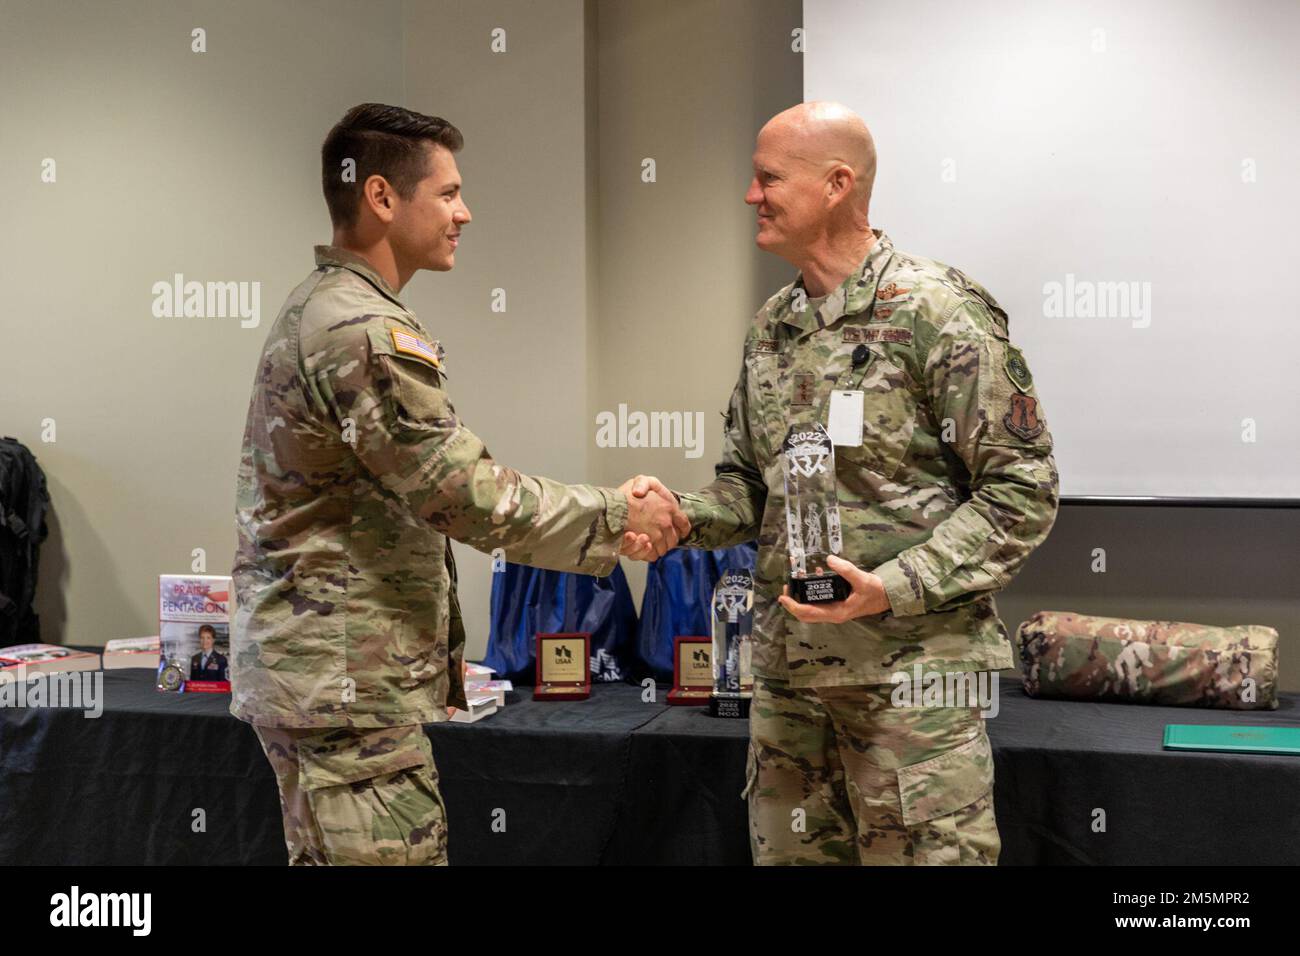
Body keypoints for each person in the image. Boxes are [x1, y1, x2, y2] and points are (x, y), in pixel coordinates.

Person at [231, 103, 687, 866]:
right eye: (447, 193)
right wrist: (619, 514)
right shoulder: (362, 332)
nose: (463, 212)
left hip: (330, 686)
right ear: (381, 197)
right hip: (348, 692)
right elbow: (465, 495)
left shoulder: (332, 309)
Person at [623, 101, 1059, 865]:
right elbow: (748, 491)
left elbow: (1021, 491)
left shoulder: (936, 313)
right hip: (791, 684)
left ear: (836, 184)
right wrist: (681, 516)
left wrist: (892, 586)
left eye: (767, 178)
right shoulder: (773, 327)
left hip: (912, 691)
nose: (750, 195)